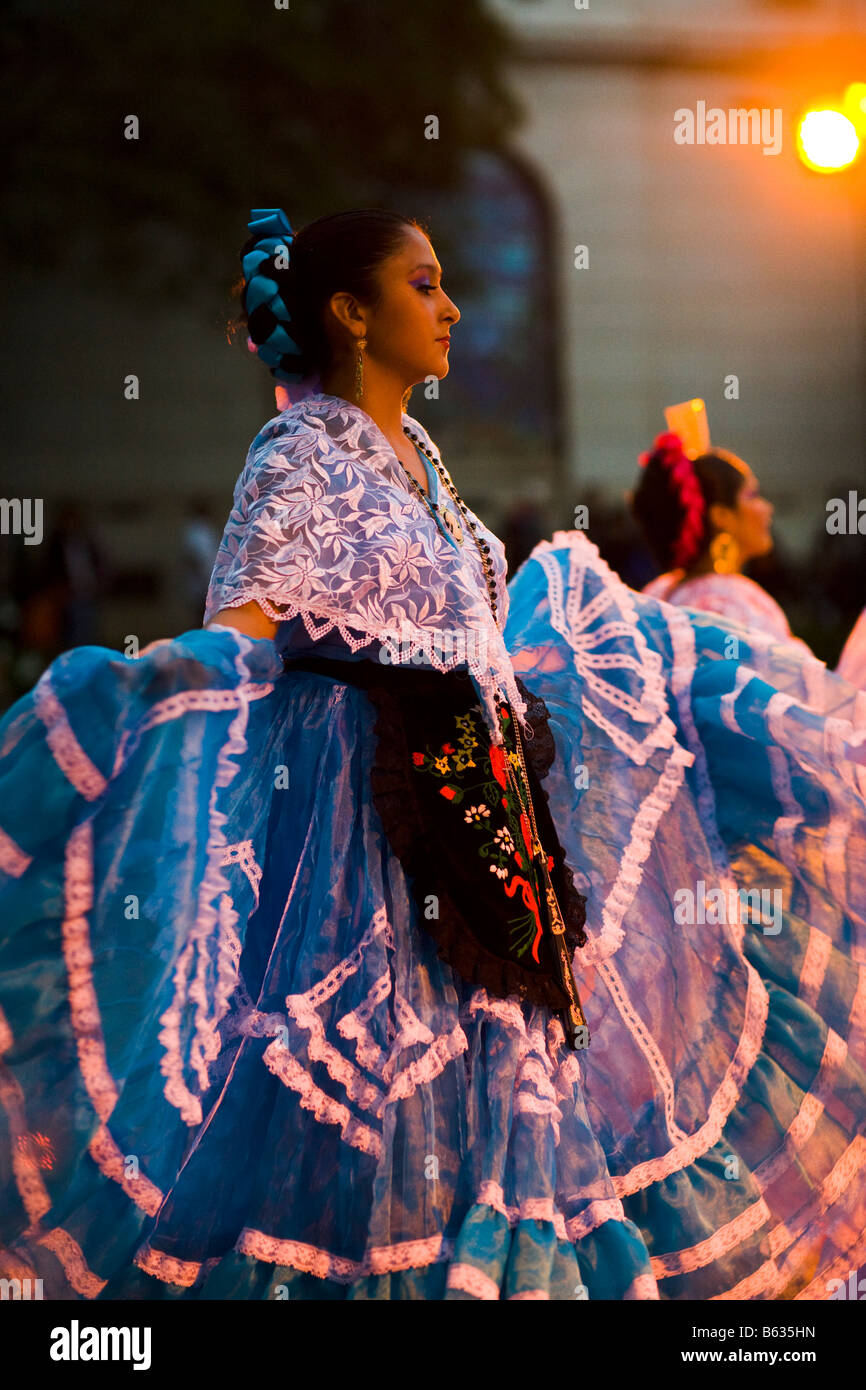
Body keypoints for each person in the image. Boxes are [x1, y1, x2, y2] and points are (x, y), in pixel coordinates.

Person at [0, 208, 865, 1302]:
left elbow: (470, 642)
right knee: (373, 1147)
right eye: (424, 283)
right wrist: (154, 687)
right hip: (360, 853)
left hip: (487, 829)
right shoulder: (301, 449)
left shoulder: (426, 458)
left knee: (501, 1107)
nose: (451, 306)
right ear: (351, 313)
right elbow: (249, 631)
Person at [631, 432, 813, 652]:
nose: (767, 507)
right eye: (752, 495)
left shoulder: (658, 594)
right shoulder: (732, 604)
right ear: (721, 516)